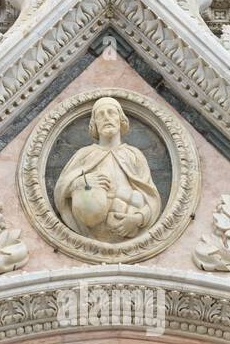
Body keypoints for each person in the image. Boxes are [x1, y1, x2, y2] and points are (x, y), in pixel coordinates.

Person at [53, 97, 162, 242]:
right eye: (100, 115)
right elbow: (61, 190)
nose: (106, 118)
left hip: (128, 225)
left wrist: (137, 219)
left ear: (120, 120)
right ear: (95, 124)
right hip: (90, 231)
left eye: (111, 113)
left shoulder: (133, 155)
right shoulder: (84, 154)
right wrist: (79, 183)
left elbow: (151, 197)